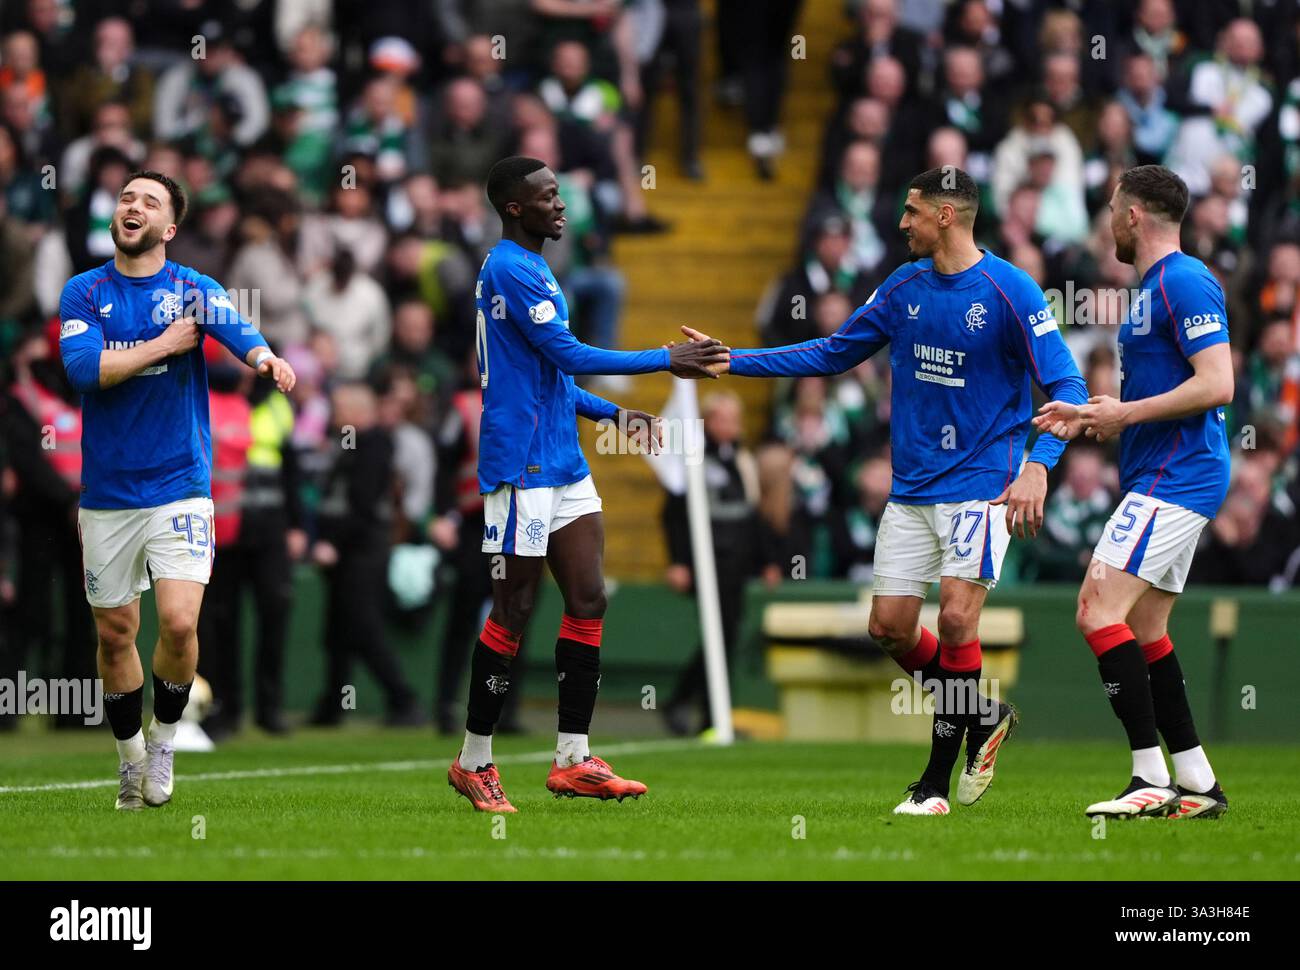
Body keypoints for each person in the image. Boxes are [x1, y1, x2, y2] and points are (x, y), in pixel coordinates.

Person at [685, 167, 1088, 816]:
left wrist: (1039, 465)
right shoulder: (903, 286)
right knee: (890, 628)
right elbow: (834, 352)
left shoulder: (1012, 291)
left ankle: (932, 784)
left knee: (956, 618)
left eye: (912, 210)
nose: (901, 222)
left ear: (947, 216)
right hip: (913, 489)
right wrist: (737, 361)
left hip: (984, 483)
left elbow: (1068, 389)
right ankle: (982, 715)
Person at [446, 155, 726, 813]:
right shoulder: (512, 267)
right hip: (521, 466)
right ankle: (472, 761)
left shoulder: (535, 267)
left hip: (563, 460)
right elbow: (569, 355)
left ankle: (573, 756)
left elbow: (554, 376)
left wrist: (615, 413)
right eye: (547, 195)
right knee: (513, 608)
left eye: (560, 193)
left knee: (589, 597)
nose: (562, 204)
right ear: (515, 207)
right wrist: (666, 359)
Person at [57, 170, 296, 811]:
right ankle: (130, 757)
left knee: (181, 622)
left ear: (170, 228)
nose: (133, 206)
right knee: (115, 635)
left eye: (150, 202)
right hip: (108, 491)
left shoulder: (194, 288)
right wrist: (161, 346)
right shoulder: (83, 292)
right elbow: (84, 371)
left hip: (180, 485)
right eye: (127, 198)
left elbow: (234, 329)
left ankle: (164, 742)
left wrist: (265, 357)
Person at [1035, 165, 1233, 819]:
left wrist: (1123, 415)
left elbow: (1217, 383)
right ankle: (1198, 781)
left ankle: (1148, 776)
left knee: (1096, 610)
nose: (1107, 220)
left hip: (1178, 476)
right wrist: (1099, 414)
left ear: (1134, 216)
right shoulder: (1153, 287)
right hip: (1166, 472)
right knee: (1146, 626)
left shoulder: (1184, 281)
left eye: (1112, 208)